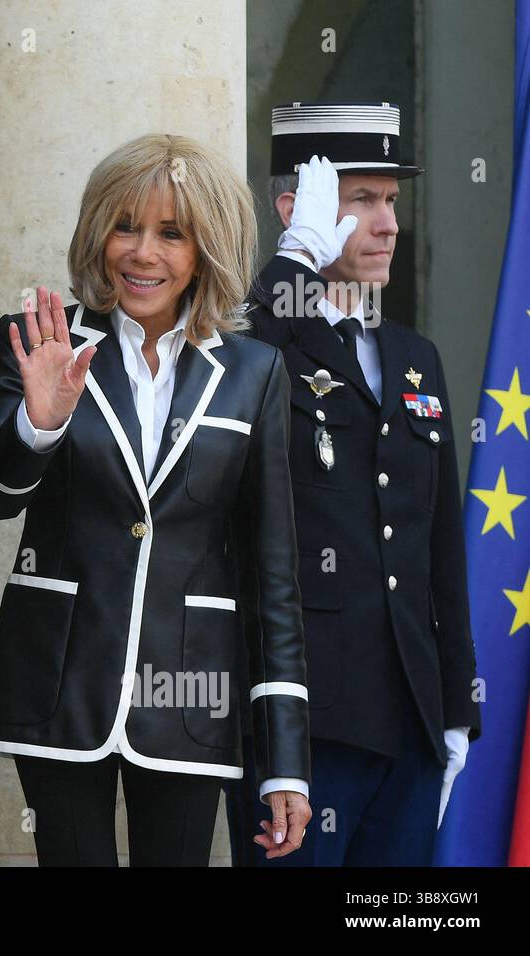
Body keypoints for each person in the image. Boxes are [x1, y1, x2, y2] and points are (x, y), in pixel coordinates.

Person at [0, 134, 311, 866]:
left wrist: (285, 755)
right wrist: (41, 422)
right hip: (57, 681)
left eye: (171, 233)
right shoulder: (37, 339)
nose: (141, 253)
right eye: (125, 226)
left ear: (207, 247)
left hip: (192, 688)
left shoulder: (256, 371)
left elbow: (272, 574)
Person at [226, 102, 482, 867]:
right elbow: (231, 377)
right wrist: (294, 267)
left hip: (410, 711)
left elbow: (440, 543)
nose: (387, 224)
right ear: (295, 211)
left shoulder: (414, 356)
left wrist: (458, 701)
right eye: (361, 200)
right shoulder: (261, 338)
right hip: (308, 720)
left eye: (393, 202)